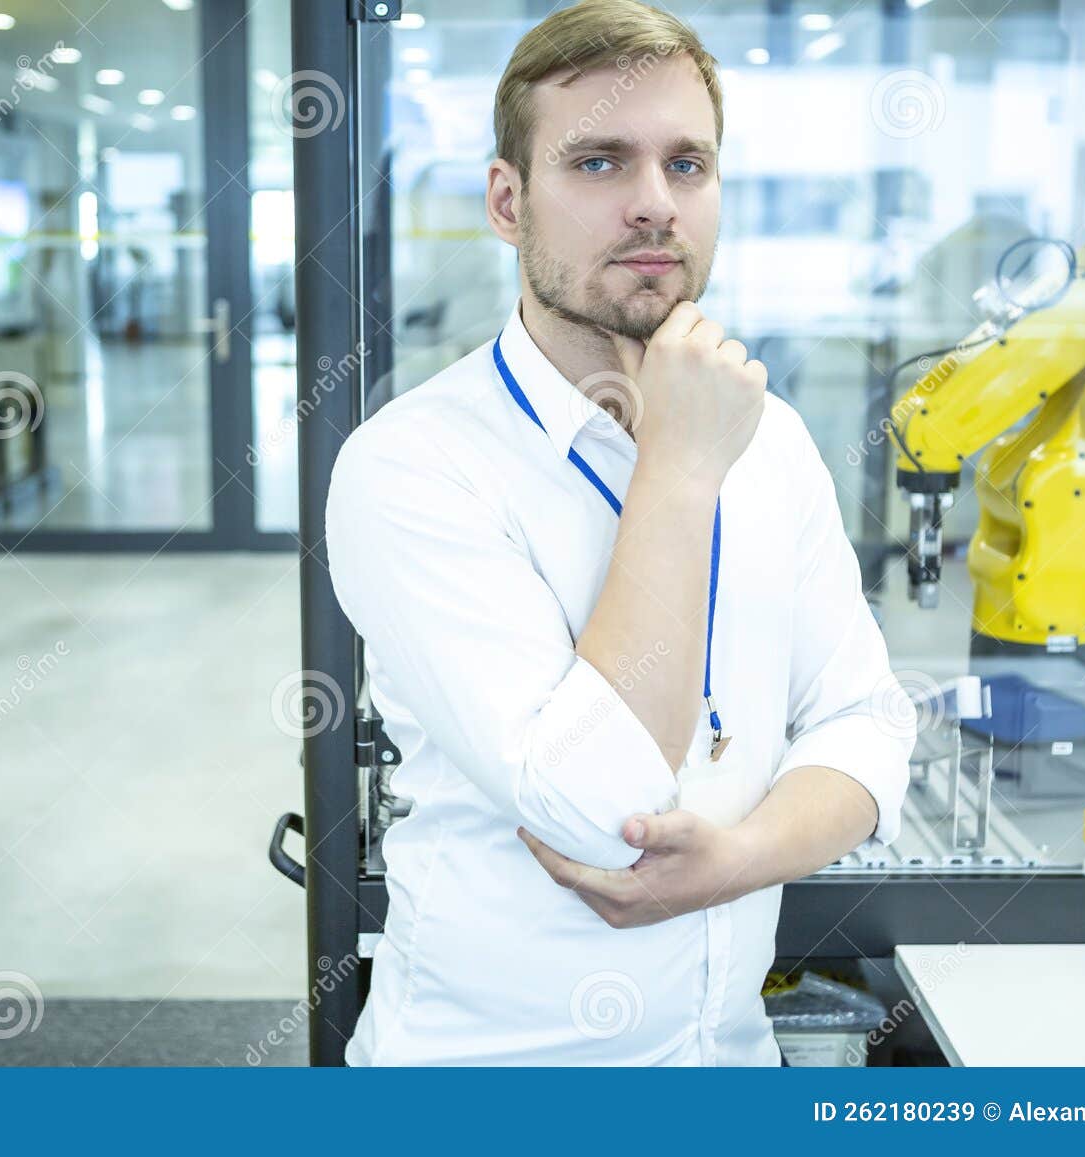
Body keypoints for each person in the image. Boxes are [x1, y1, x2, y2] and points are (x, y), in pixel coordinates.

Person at [323, 0, 915, 1066]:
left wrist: (734, 858)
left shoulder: (769, 437)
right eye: (598, 163)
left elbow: (866, 724)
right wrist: (680, 471)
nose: (654, 205)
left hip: (727, 1061)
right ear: (507, 201)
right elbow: (599, 806)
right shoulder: (412, 465)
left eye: (686, 165)